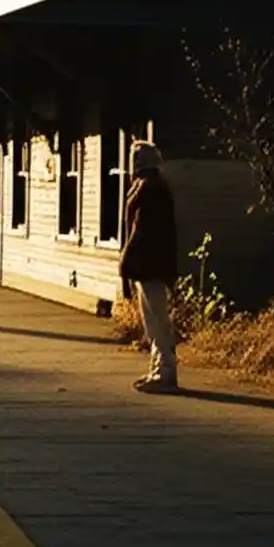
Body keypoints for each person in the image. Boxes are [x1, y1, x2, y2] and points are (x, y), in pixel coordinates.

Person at [121, 140, 179, 394]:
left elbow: (142, 230)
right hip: (149, 262)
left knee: (157, 319)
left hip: (151, 262)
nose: (134, 163)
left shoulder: (151, 189)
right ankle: (158, 369)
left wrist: (127, 259)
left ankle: (165, 371)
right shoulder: (148, 187)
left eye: (137, 158)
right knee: (152, 319)